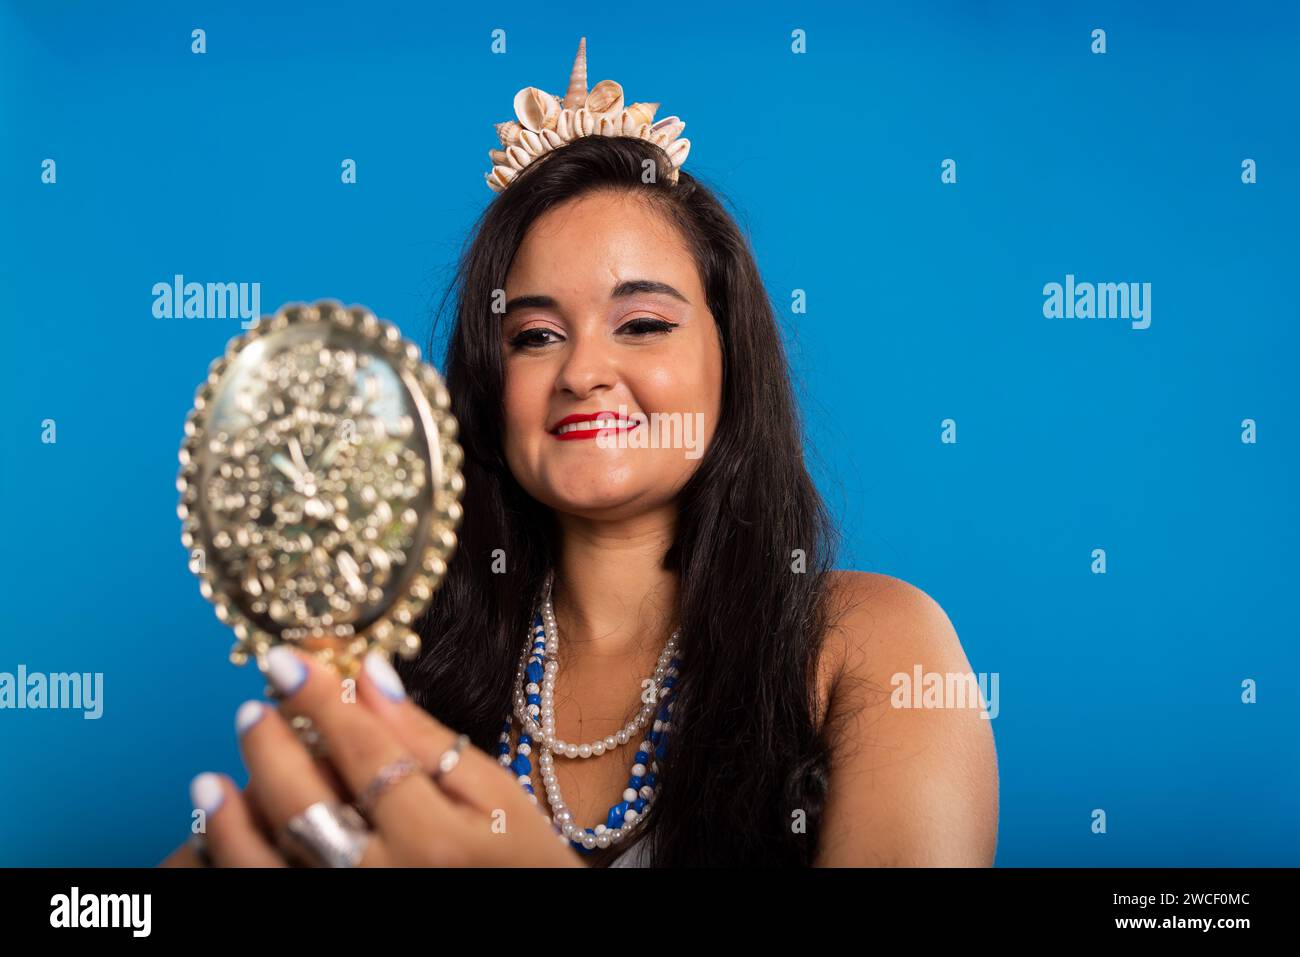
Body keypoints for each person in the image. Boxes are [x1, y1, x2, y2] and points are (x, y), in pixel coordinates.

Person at [162, 38, 998, 869]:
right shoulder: (399, 677)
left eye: (642, 324)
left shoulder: (877, 646)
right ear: (491, 388)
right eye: (535, 336)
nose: (584, 373)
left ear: (732, 357)